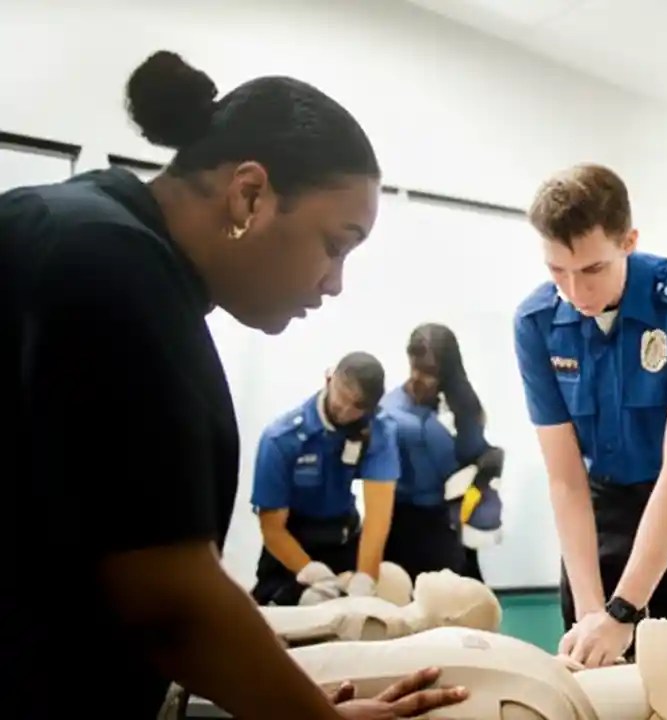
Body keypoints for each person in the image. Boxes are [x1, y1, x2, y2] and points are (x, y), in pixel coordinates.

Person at [0, 51, 466, 718]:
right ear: (250, 194)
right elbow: (171, 604)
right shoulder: (113, 269)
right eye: (335, 245)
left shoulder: (72, 231)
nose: (334, 283)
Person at [513, 163, 667, 670]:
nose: (576, 293)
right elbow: (565, 480)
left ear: (629, 241)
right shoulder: (536, 323)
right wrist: (591, 612)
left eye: (592, 270)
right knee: (591, 660)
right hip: (607, 499)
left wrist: (624, 609)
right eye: (557, 271)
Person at [251, 352, 400, 607]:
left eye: (357, 406)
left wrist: (365, 578)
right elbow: (272, 529)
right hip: (291, 546)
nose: (344, 410)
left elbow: (378, 517)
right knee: (312, 604)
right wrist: (312, 573)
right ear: (329, 379)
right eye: (341, 396)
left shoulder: (378, 431)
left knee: (389, 591)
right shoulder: (282, 438)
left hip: (342, 538)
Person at [381, 323, 505, 580]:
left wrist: (487, 464)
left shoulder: (464, 407)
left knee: (463, 606)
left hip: (449, 522)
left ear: (446, 372)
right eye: (414, 366)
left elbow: (475, 454)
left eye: (429, 372)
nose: (418, 377)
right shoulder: (391, 411)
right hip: (402, 521)